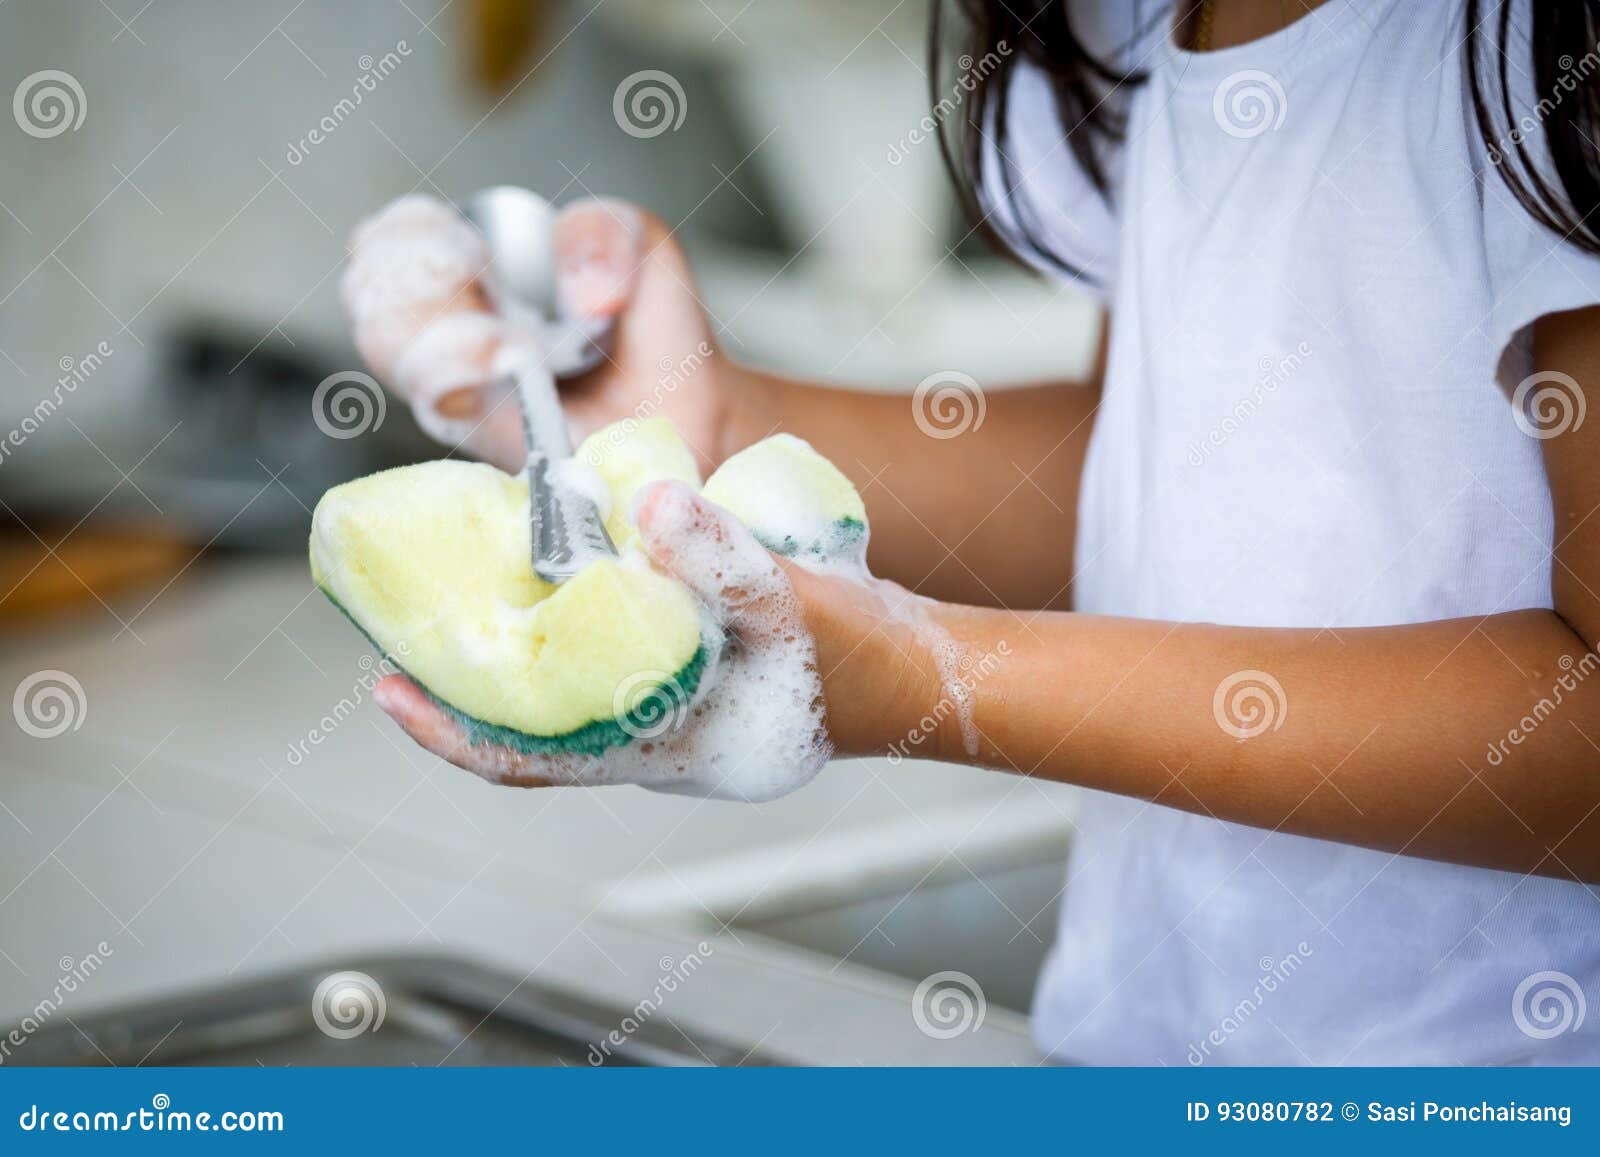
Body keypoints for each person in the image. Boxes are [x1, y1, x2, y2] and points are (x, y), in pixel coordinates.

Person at [342, 0, 1600, 1065]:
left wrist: (939, 679)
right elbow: (1175, 472)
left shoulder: (1540, 47)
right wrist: (706, 422)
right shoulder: (1135, 16)